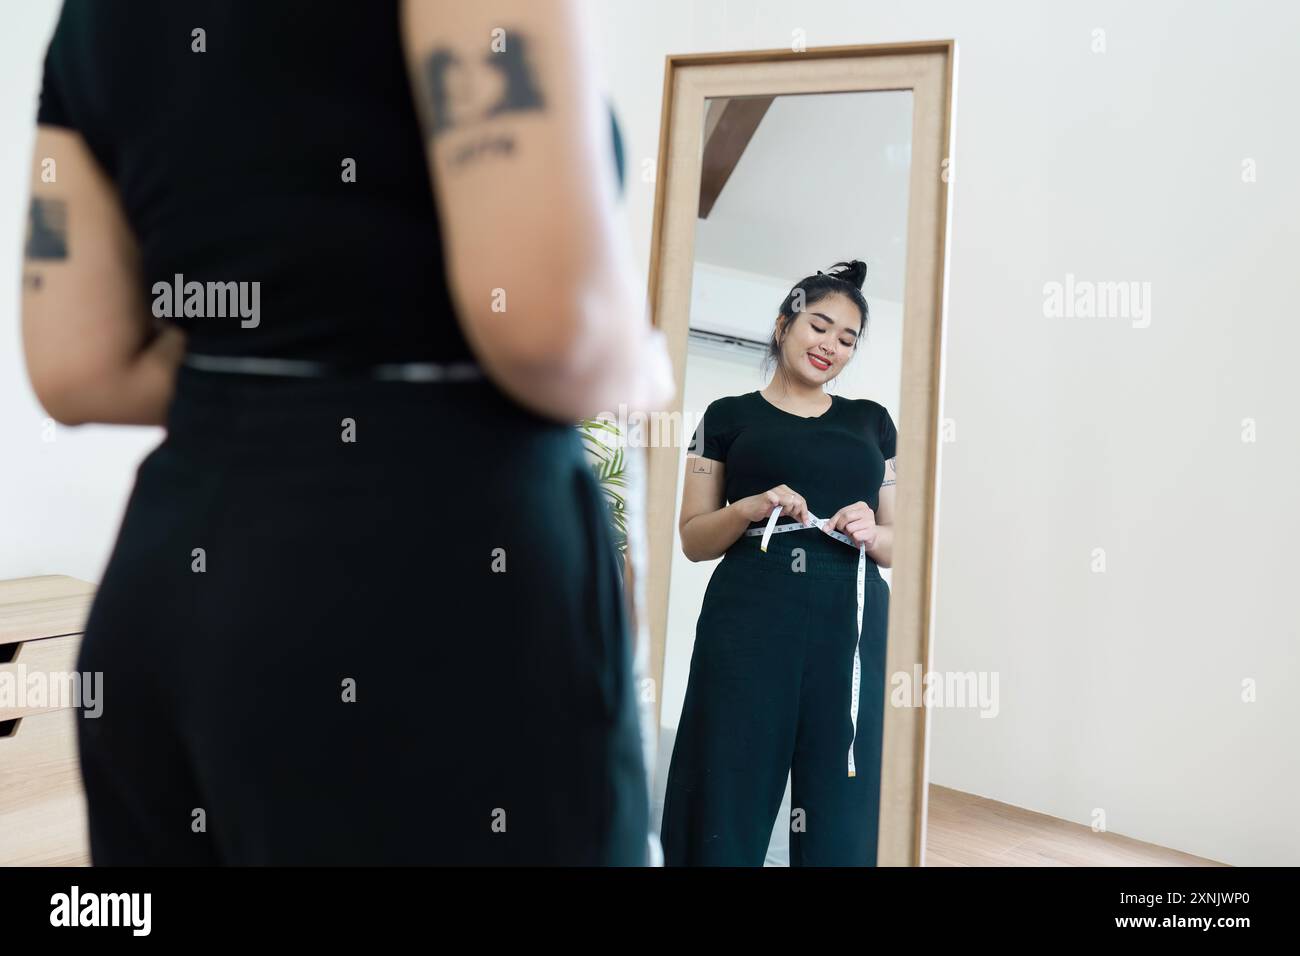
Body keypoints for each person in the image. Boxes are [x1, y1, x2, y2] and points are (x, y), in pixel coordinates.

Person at [21, 0, 673, 865]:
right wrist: (639, 362)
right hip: (437, 582)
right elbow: (548, 327)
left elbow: (76, 365)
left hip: (173, 589)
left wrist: (283, 343)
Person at [659, 260, 897, 866]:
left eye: (847, 339)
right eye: (820, 326)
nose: (831, 346)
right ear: (784, 323)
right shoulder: (725, 416)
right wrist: (750, 505)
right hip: (751, 612)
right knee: (727, 776)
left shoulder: (872, 423)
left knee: (844, 788)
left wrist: (873, 531)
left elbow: (903, 546)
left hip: (854, 620)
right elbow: (693, 538)